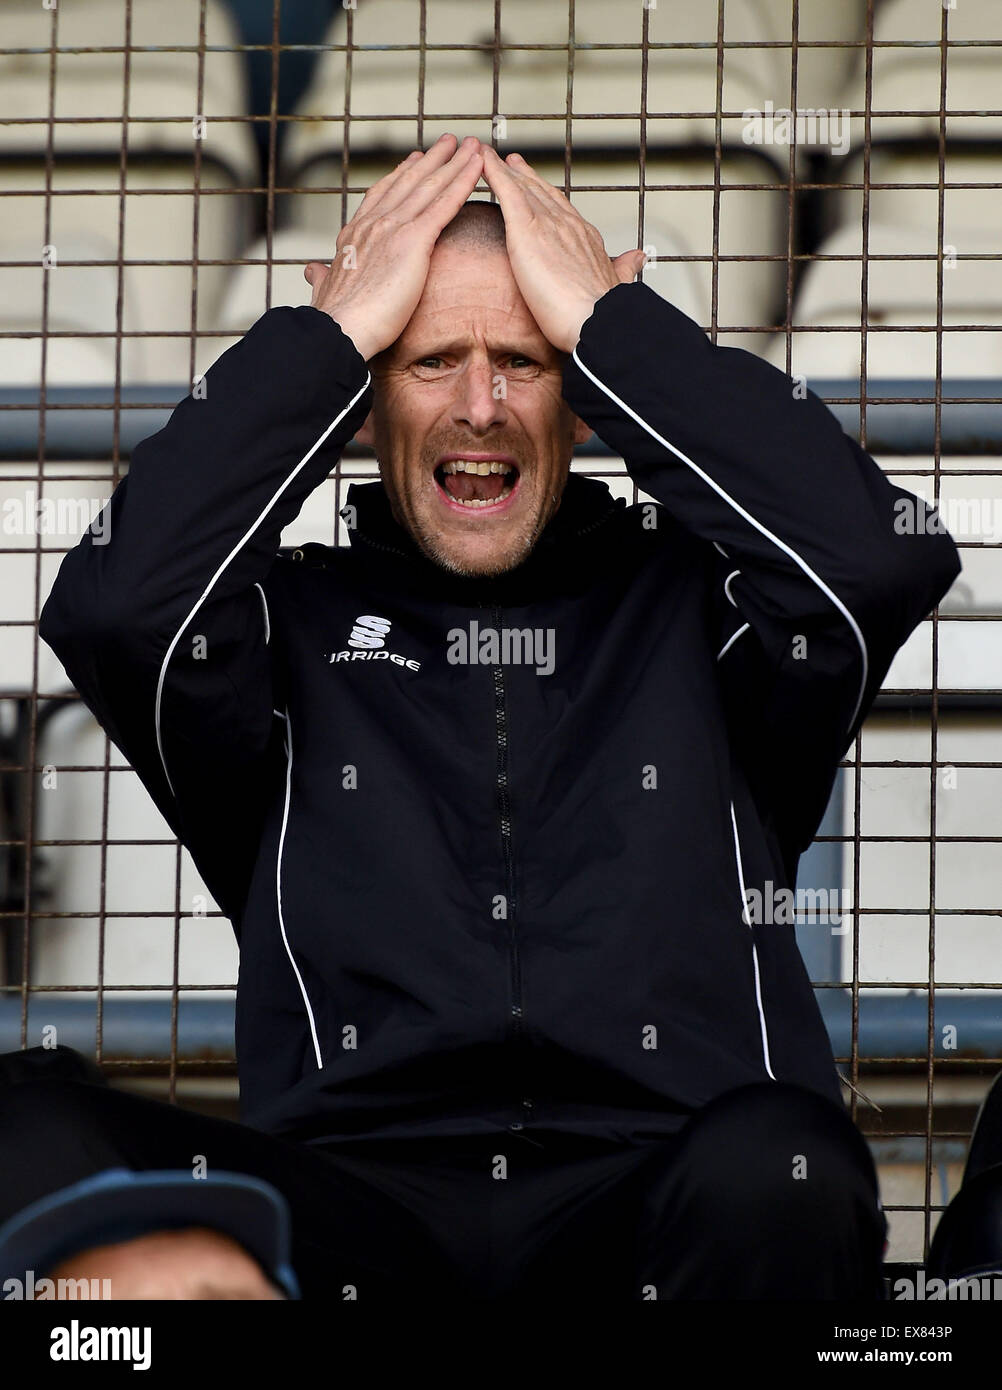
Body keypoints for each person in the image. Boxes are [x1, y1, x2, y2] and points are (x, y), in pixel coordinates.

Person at [5, 133, 961, 1300]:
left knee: (786, 1160)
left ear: (588, 404)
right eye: (427, 361)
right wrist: (327, 338)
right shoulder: (276, 636)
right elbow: (113, 606)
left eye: (526, 356)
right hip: (362, 1218)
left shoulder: (713, 613)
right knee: (28, 1122)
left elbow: (875, 561)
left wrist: (617, 326)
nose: (481, 407)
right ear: (361, 402)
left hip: (660, 1205)